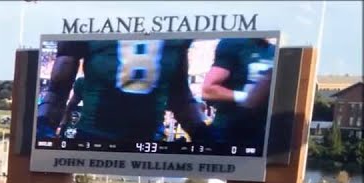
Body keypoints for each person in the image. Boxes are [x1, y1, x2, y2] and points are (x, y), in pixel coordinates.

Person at [38, 38, 211, 145]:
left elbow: (179, 92)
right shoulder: (89, 14)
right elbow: (58, 90)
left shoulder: (177, 20)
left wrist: (202, 134)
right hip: (93, 142)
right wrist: (43, 127)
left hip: (151, 146)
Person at [200, 37, 276, 151]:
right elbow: (208, 90)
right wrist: (249, 97)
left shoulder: (274, 50)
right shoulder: (235, 43)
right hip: (229, 131)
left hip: (262, 131)